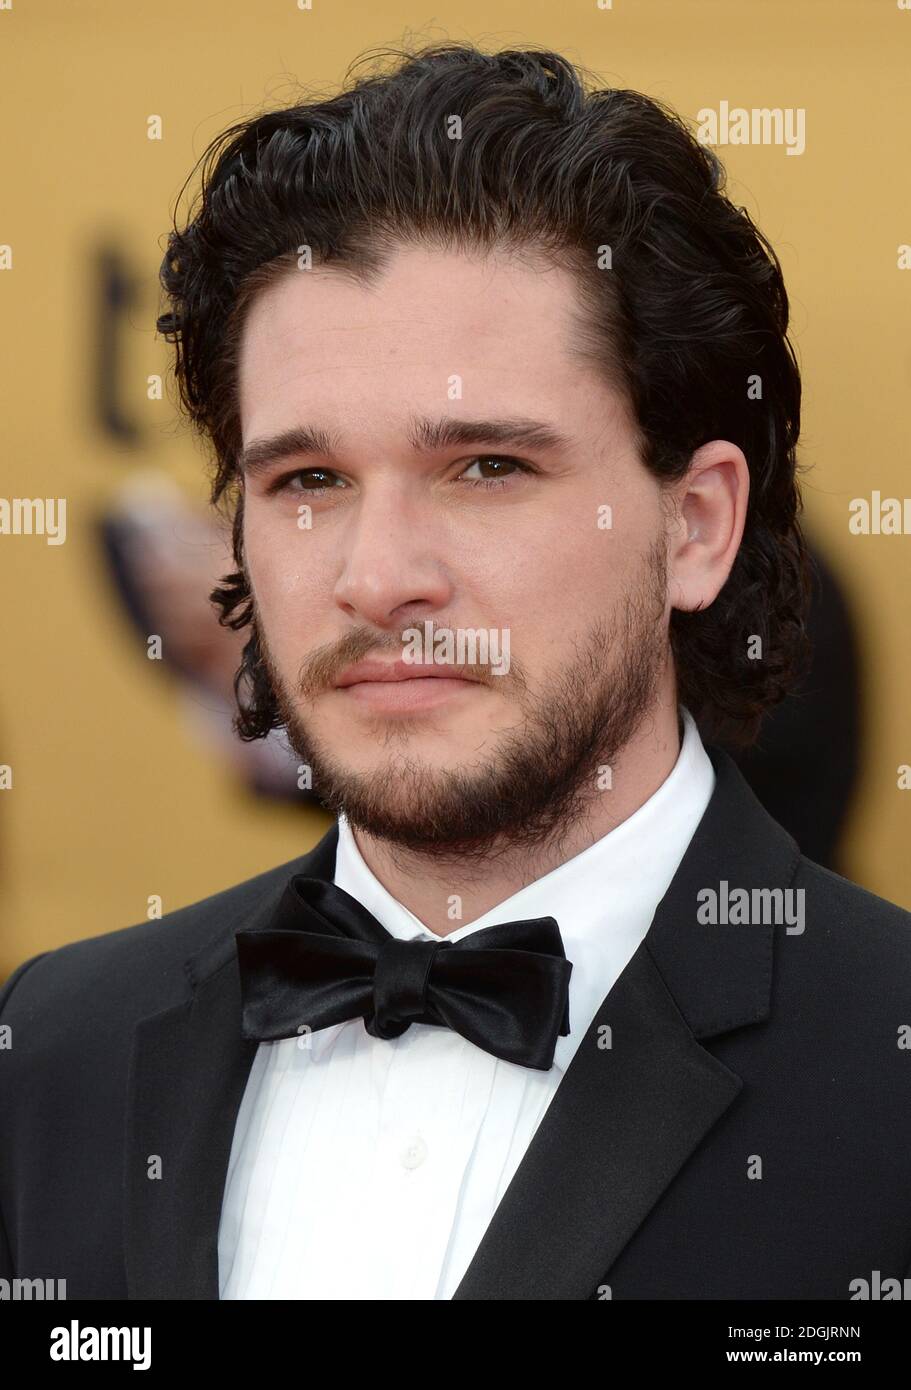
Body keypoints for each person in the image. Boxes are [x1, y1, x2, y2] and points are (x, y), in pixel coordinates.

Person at [1, 43, 909, 1302]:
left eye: (486, 468)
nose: (378, 578)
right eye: (307, 482)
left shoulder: (887, 1068)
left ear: (693, 526)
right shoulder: (55, 1050)